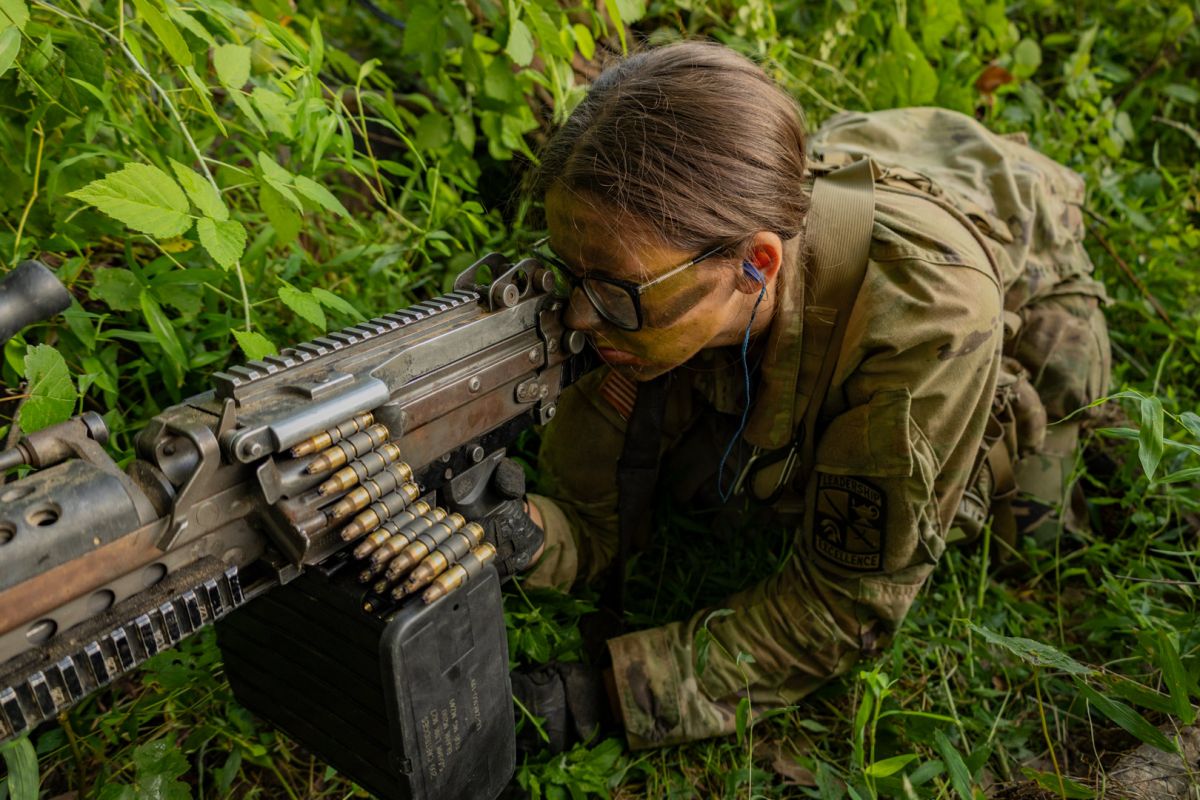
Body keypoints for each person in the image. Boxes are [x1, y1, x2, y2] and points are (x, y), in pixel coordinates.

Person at [498, 40, 1110, 751]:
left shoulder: (924, 321)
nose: (578, 316)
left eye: (612, 288)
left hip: (1024, 260)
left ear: (755, 263)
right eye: (570, 273)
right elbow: (589, 515)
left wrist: (603, 696)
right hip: (857, 182)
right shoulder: (636, 285)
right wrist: (520, 536)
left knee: (1033, 534)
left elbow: (844, 604)